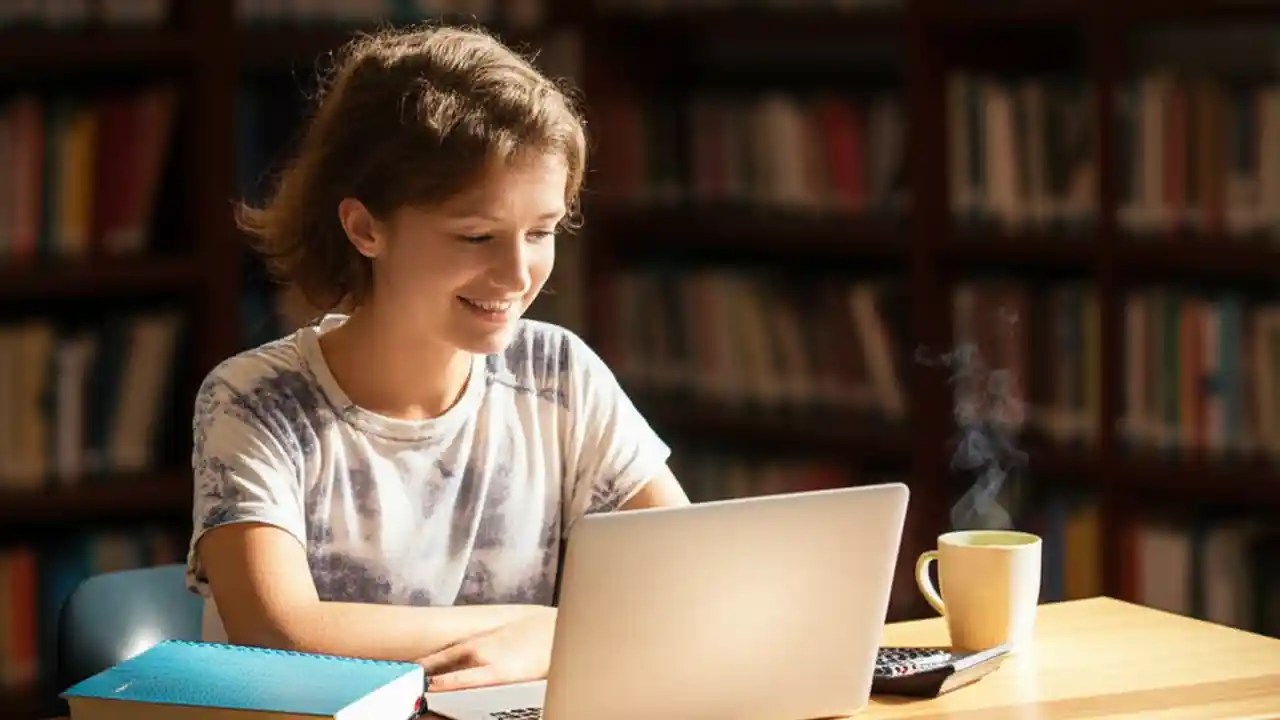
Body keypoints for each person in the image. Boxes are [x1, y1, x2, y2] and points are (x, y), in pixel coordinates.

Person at [186, 23, 689, 693]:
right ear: (366, 229)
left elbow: (688, 578)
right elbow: (281, 633)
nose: (517, 275)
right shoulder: (254, 399)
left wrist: (550, 636)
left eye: (541, 232)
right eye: (477, 236)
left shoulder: (558, 375)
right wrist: (551, 629)